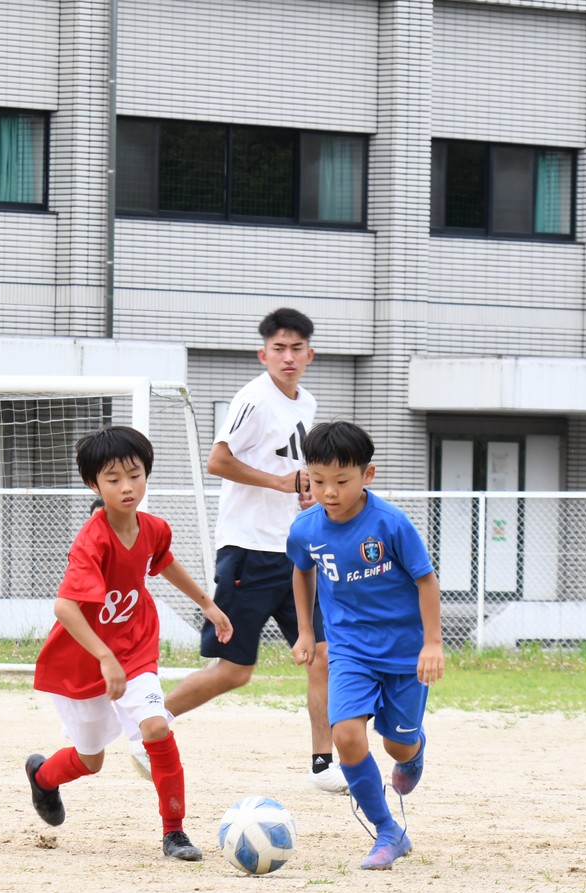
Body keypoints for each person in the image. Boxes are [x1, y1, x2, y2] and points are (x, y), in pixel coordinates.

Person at [139, 307, 347, 794]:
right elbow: (219, 460)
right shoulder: (253, 399)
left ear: (310, 354)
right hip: (249, 551)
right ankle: (148, 723)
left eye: (297, 348)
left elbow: (295, 472)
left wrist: (307, 491)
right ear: (264, 353)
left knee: (323, 654)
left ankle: (323, 764)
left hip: (296, 551)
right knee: (235, 672)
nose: (288, 356)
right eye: (279, 347)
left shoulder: (307, 403)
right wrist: (278, 482)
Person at [23, 426, 233, 861]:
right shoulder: (92, 540)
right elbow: (65, 608)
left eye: (134, 475)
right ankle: (43, 777)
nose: (126, 487)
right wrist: (103, 656)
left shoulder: (154, 528)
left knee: (157, 726)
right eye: (113, 479)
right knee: (90, 759)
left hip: (135, 648)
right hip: (83, 661)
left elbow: (164, 562)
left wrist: (208, 606)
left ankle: (174, 833)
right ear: (93, 485)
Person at [287, 421, 442, 870]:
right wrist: (306, 631)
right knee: (347, 735)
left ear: (366, 476)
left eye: (341, 481)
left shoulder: (390, 523)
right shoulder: (305, 528)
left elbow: (426, 580)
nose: (329, 492)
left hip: (405, 653)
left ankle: (414, 751)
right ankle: (387, 831)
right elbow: (301, 570)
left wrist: (432, 643)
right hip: (349, 649)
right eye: (318, 482)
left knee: (397, 746)